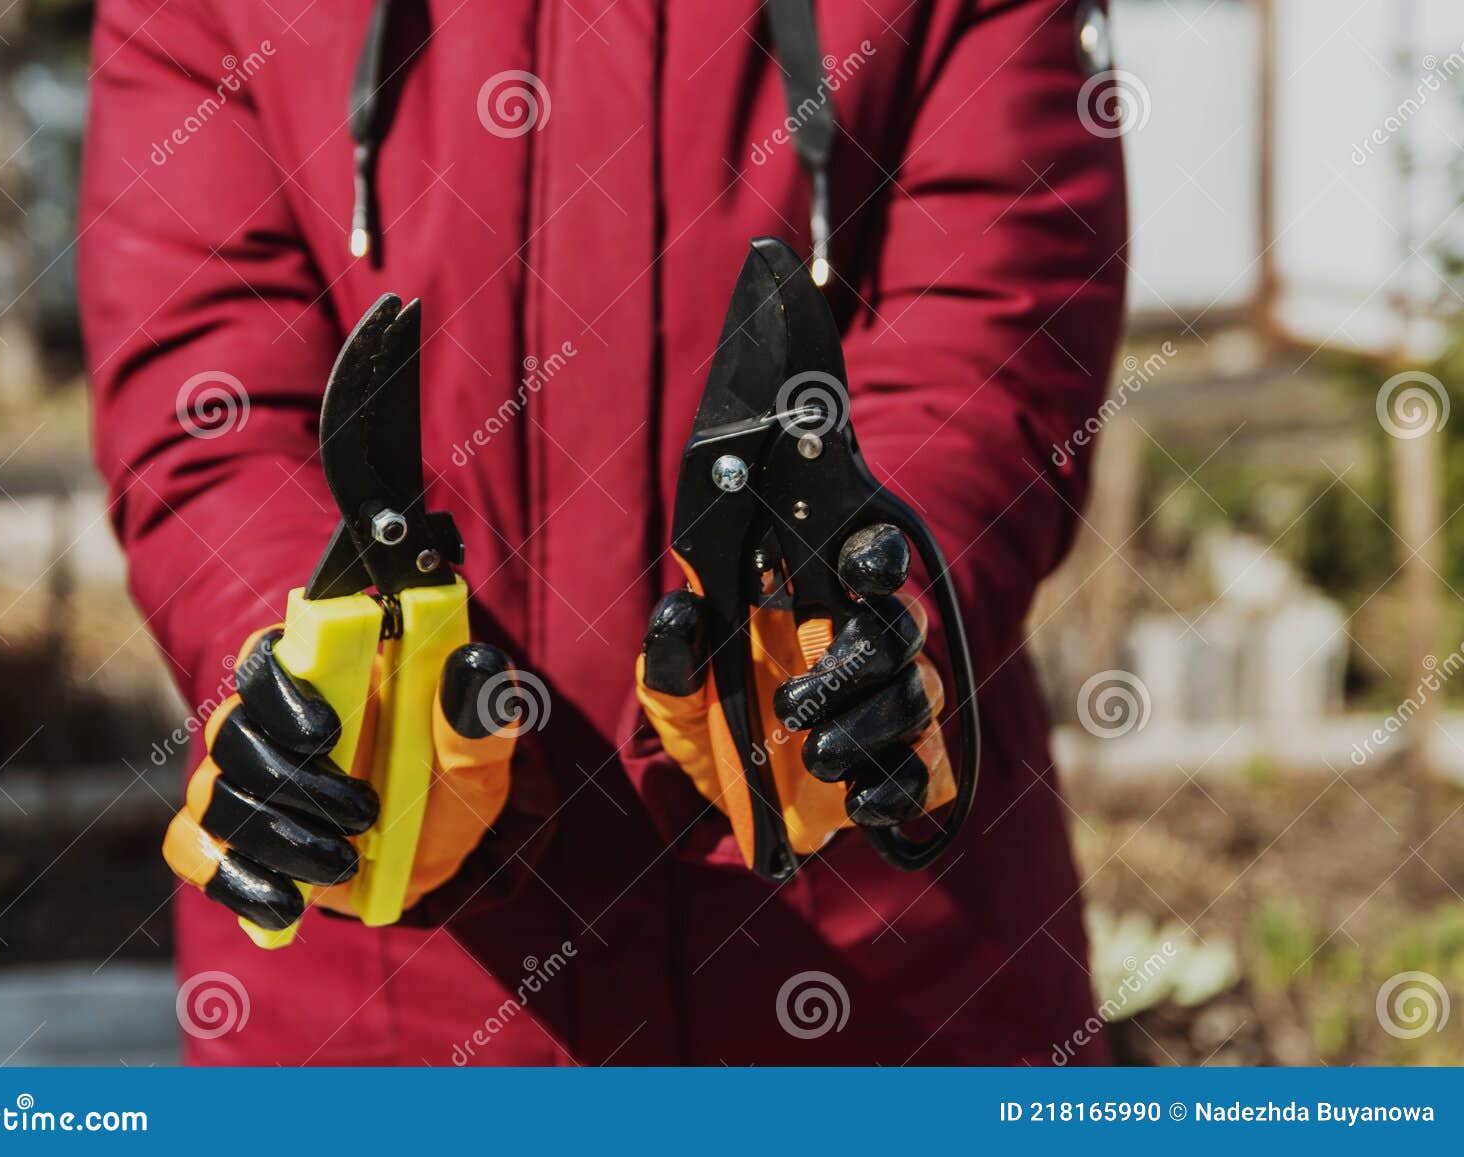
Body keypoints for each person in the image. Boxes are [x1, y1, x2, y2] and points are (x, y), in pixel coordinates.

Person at [79, 0, 1127, 1065]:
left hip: (894, 986)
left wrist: (862, 609)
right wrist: (315, 685)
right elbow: (206, 402)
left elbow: (991, 346)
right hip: (376, 1021)